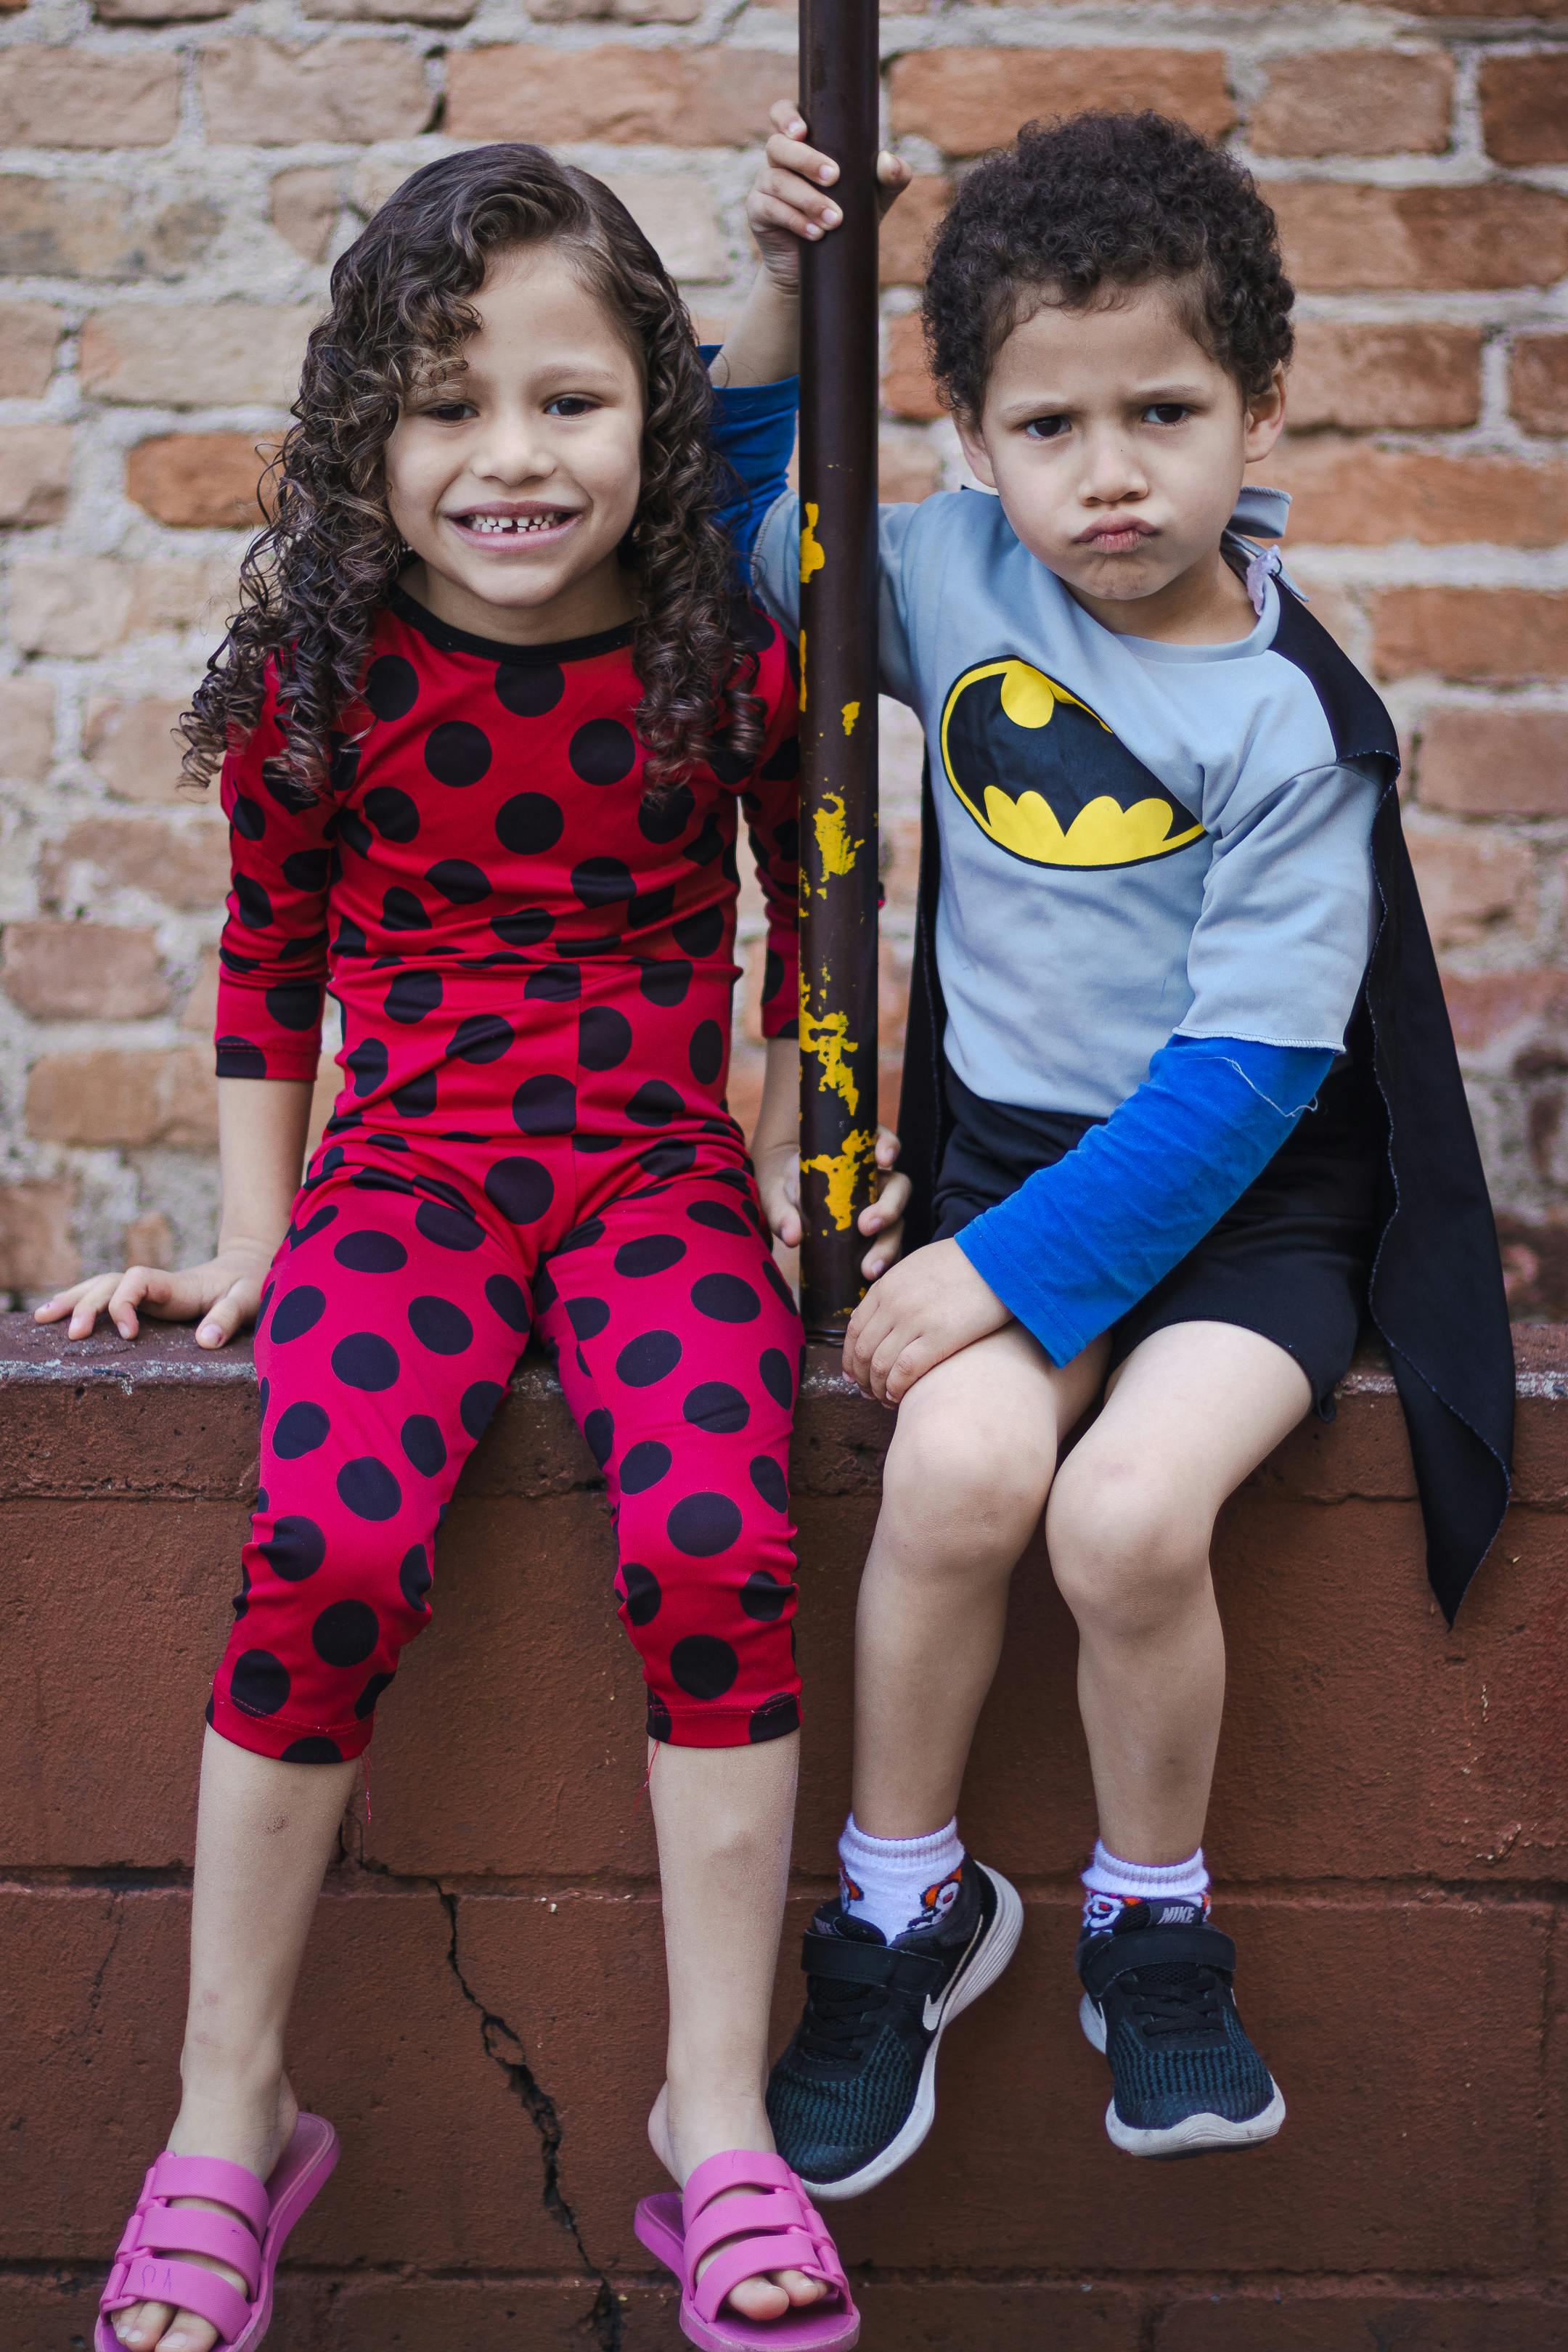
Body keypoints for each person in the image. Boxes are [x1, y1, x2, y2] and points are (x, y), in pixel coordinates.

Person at [38, 144, 907, 2352]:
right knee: (326, 1543)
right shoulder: (336, 672)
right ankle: (227, 2114)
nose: (510, 459)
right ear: (366, 440)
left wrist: (828, 1161)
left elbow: (823, 940)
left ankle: (716, 2121)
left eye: (567, 404)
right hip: (402, 1187)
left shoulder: (730, 644)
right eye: (446, 407)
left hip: (655, 1184)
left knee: (719, 1543)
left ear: (656, 419)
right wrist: (253, 1236)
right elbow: (273, 960)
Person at [706, 105, 1514, 2190]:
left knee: (1131, 1516)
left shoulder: (1291, 722)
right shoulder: (950, 569)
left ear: (1262, 406)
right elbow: (723, 526)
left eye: (1166, 408)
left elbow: (1245, 1086)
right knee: (963, 1467)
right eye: (1047, 424)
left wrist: (992, 1276)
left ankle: (1153, 1922)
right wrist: (771, 281)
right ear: (969, 437)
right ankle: (906, 1906)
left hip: (1254, 1209)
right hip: (1010, 1168)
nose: (1111, 472)